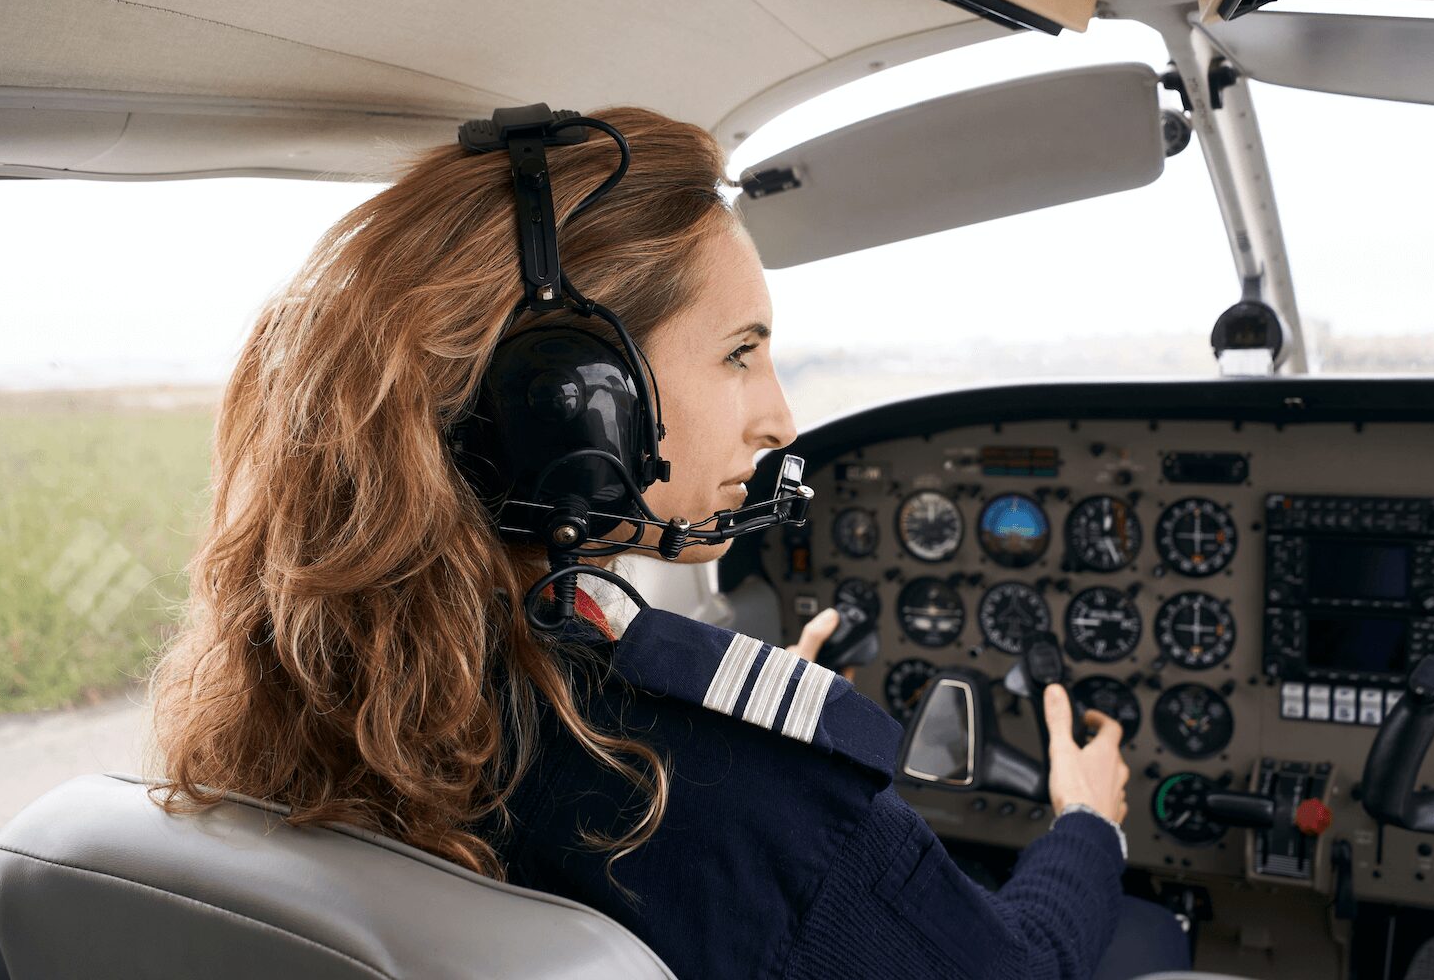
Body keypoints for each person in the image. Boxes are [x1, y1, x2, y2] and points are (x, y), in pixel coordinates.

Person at [151, 105, 1191, 979]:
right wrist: (1085, 823)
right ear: (566, 399)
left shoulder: (293, 691)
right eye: (739, 353)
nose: (780, 421)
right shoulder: (721, 793)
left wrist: (732, 720)